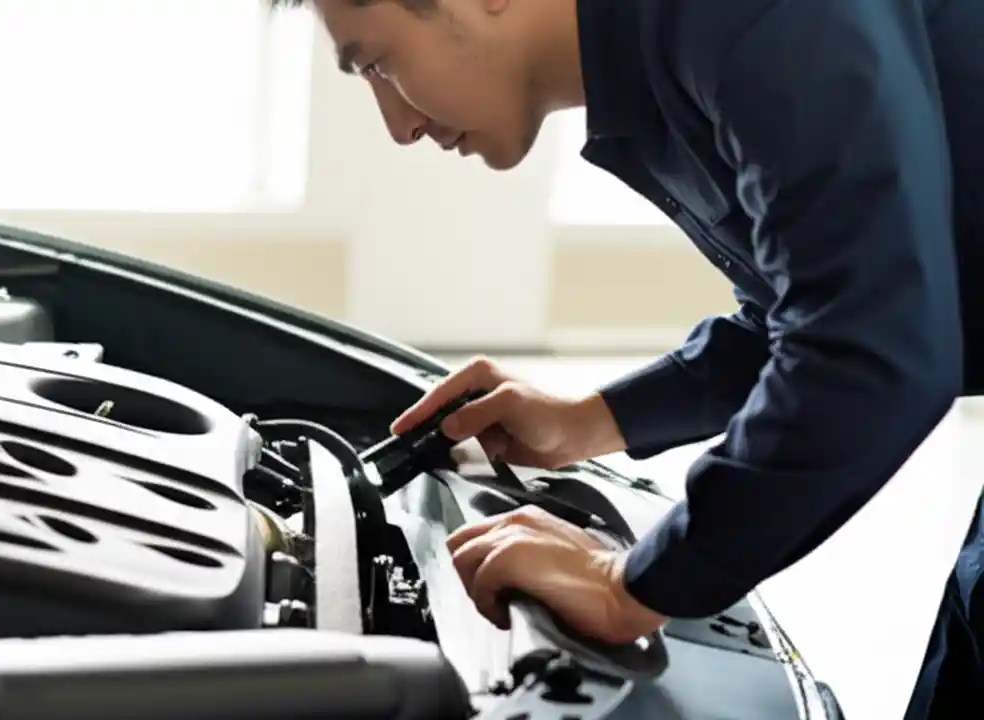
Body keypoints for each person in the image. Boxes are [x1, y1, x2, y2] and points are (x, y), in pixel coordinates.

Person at [270, 0, 984, 716]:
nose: (399, 127)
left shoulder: (750, 18)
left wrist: (635, 584)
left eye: (377, 64)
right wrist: (594, 419)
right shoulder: (668, 51)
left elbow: (873, 341)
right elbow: (799, 309)